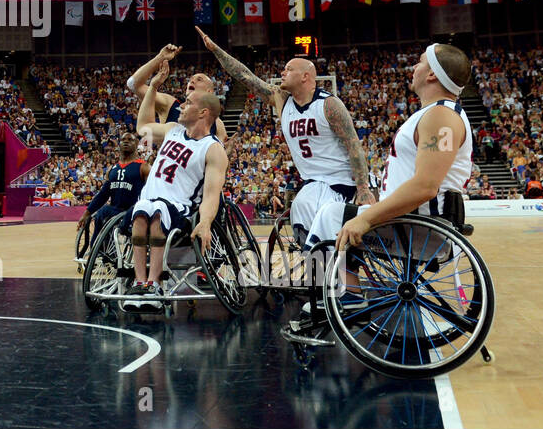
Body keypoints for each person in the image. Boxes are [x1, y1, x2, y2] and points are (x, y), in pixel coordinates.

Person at [304, 44, 474, 313]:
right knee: (337, 214)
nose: (414, 67)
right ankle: (347, 290)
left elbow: (426, 186)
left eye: (419, 62)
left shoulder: (442, 117)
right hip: (415, 223)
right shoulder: (438, 114)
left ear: (432, 74)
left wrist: (366, 218)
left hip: (418, 228)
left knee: (330, 215)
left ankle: (345, 294)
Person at [198, 29, 376, 236]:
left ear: (305, 76)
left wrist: (363, 189)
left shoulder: (329, 104)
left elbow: (353, 145)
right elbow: (245, 76)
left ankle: (328, 265)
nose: (282, 73)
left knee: (322, 233)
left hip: (342, 182)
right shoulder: (282, 100)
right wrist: (215, 49)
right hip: (314, 183)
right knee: (302, 221)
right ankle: (320, 266)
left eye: (289, 69)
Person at [125, 61, 228, 311]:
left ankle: (155, 284)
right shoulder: (172, 129)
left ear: (203, 111)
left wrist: (205, 222)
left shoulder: (213, 147)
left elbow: (212, 193)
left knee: (157, 216)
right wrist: (154, 86)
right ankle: (140, 283)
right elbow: (142, 129)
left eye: (189, 103)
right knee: (140, 214)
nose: (182, 104)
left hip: (178, 205)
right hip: (150, 197)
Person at [78, 133, 150, 241]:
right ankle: (102, 251)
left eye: (130, 139)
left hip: (134, 211)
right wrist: (87, 213)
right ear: (119, 144)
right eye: (123, 139)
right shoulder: (113, 168)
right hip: (116, 211)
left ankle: (100, 250)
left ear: (136, 144)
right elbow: (103, 195)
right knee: (103, 212)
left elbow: (152, 191)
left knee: (105, 211)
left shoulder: (144, 167)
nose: (126, 141)